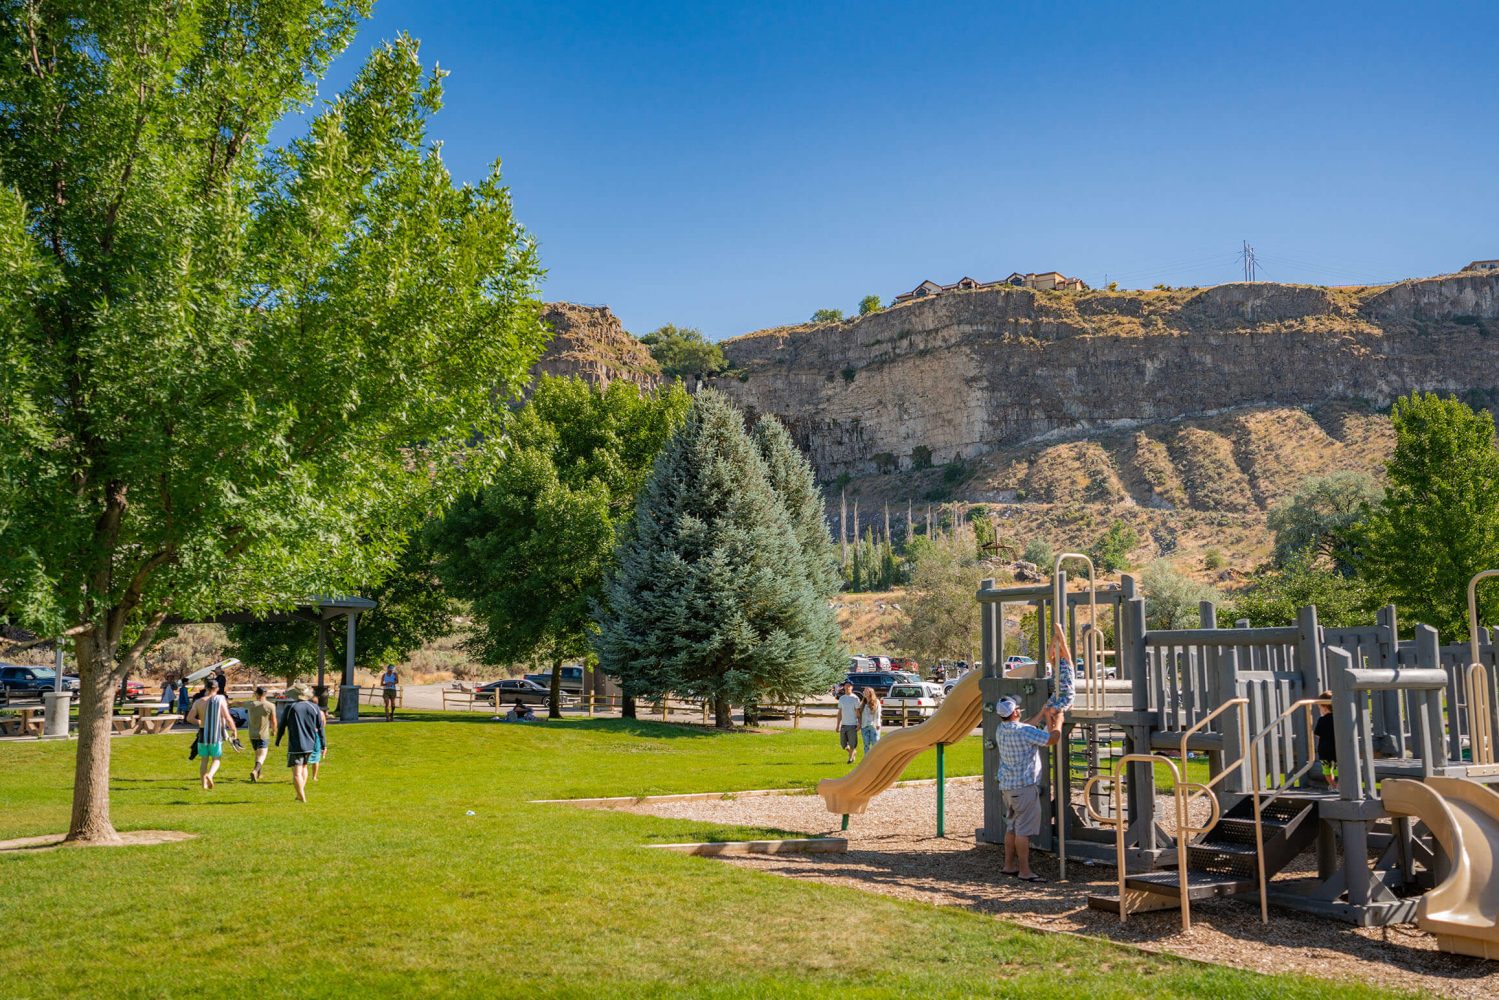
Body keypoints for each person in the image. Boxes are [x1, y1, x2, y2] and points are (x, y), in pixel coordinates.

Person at [995, 695, 1062, 882]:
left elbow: (1025, 725)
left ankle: (1009, 865)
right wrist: (1058, 720)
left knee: (1011, 828)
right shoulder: (1024, 732)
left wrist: (1042, 713)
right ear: (1015, 712)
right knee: (1023, 831)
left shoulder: (1001, 729)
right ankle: (1025, 871)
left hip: (1008, 787)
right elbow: (1052, 739)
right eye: (1018, 708)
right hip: (1024, 789)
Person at [275, 684, 327, 803]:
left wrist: (278, 740)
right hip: (311, 744)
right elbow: (320, 728)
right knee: (304, 767)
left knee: (296, 772)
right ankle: (300, 793)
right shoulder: (314, 707)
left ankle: (302, 796)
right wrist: (324, 745)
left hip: (296, 745)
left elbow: (282, 725)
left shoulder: (290, 707)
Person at [185, 678, 239, 790]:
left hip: (202, 732)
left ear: (206, 688)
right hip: (215, 733)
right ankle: (210, 775)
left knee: (204, 760)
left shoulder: (198, 702)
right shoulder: (220, 700)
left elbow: (189, 718)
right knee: (216, 758)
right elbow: (227, 717)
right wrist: (233, 729)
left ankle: (203, 785)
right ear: (217, 688)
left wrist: (199, 722)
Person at [1043, 622, 1075, 725]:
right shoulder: (1056, 664)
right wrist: (1054, 637)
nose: (1054, 652)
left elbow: (1064, 644)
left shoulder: (1067, 660)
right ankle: (1049, 730)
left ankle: (1056, 726)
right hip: (1057, 694)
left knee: (1052, 710)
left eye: (1057, 650)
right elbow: (1049, 653)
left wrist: (1059, 630)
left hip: (1066, 694)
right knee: (1046, 709)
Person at [247, 687, 277, 782]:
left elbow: (237, 703)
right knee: (263, 755)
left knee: (257, 754)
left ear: (256, 694)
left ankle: (258, 774)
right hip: (263, 735)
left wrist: (228, 703)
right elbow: (273, 720)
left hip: (252, 734)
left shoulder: (251, 704)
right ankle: (255, 771)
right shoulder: (270, 705)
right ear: (266, 693)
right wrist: (274, 730)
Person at [1314, 690, 1338, 789]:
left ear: (1324, 707)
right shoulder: (1339, 718)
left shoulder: (1321, 720)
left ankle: (1333, 785)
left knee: (1327, 770)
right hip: (1338, 749)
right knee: (1340, 769)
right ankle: (1340, 785)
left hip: (1324, 750)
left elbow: (1317, 734)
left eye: (1319, 707)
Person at [836, 682, 861, 764]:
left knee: (852, 744)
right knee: (843, 744)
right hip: (844, 725)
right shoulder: (842, 698)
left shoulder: (855, 698)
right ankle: (853, 752)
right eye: (846, 686)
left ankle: (850, 759)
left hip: (852, 725)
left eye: (849, 686)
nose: (847, 687)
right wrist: (838, 725)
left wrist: (859, 723)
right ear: (844, 687)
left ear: (852, 687)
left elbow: (858, 712)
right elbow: (840, 712)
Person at [308, 703, 330, 782]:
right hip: (317, 734)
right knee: (316, 757)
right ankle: (314, 777)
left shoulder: (307, 711)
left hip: (307, 735)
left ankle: (302, 775)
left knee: (305, 756)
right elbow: (323, 725)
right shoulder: (321, 713)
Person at [857, 687, 882, 757]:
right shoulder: (862, 703)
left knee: (875, 744)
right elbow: (859, 715)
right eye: (864, 691)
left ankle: (876, 758)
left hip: (873, 726)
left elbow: (878, 713)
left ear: (870, 693)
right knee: (866, 745)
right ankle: (867, 760)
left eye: (866, 691)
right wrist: (859, 724)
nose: (864, 692)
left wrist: (878, 723)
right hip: (864, 726)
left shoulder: (876, 702)